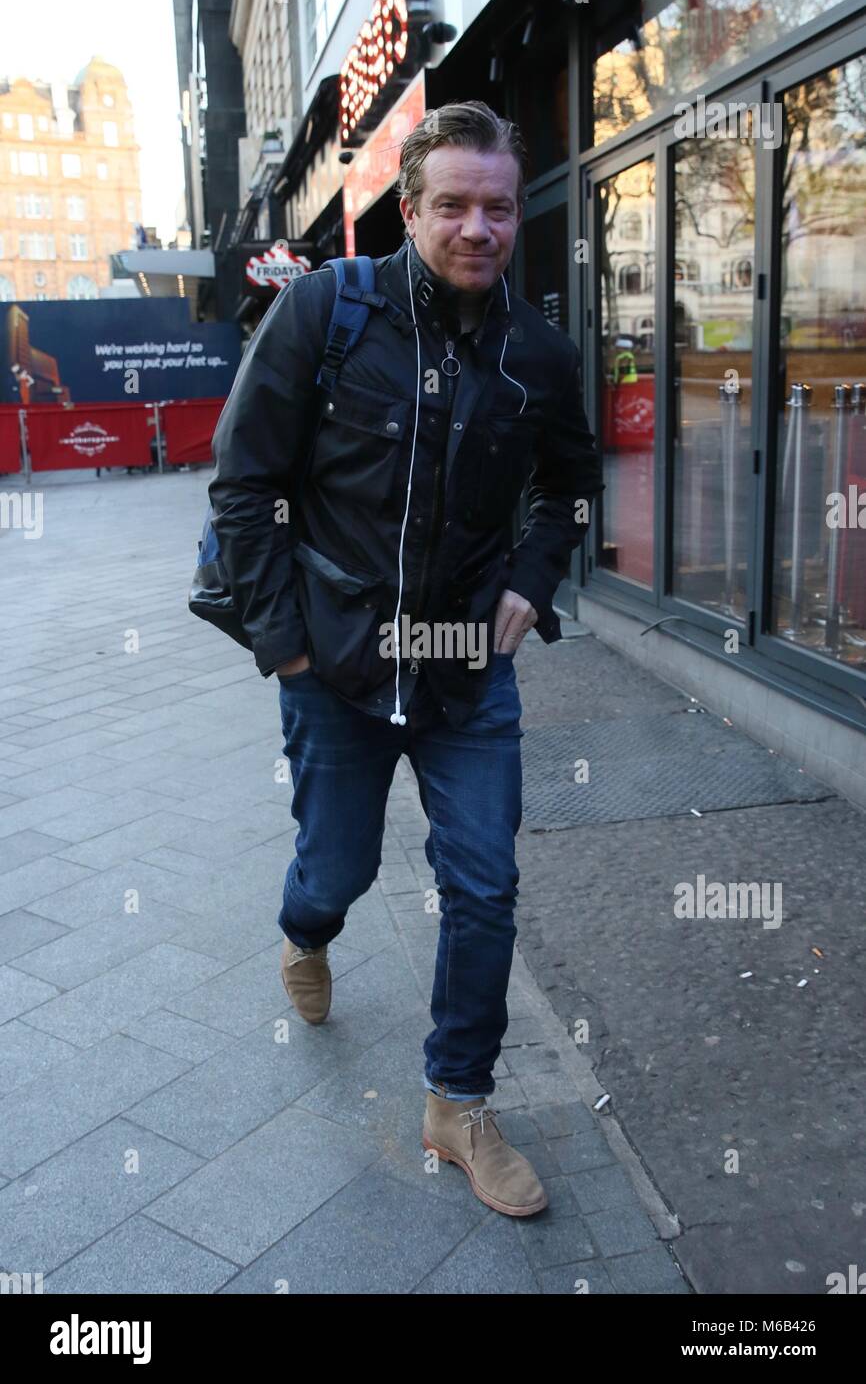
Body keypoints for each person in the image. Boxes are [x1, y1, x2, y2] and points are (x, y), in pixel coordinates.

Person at [208, 100, 603, 1217]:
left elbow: (568, 485)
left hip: (465, 666)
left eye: (496, 206)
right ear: (412, 208)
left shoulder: (537, 350)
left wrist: (532, 576)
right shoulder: (326, 314)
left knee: (484, 882)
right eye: (452, 205)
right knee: (335, 869)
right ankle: (304, 928)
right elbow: (243, 485)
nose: (477, 227)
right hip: (334, 664)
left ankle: (457, 1100)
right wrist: (282, 644)